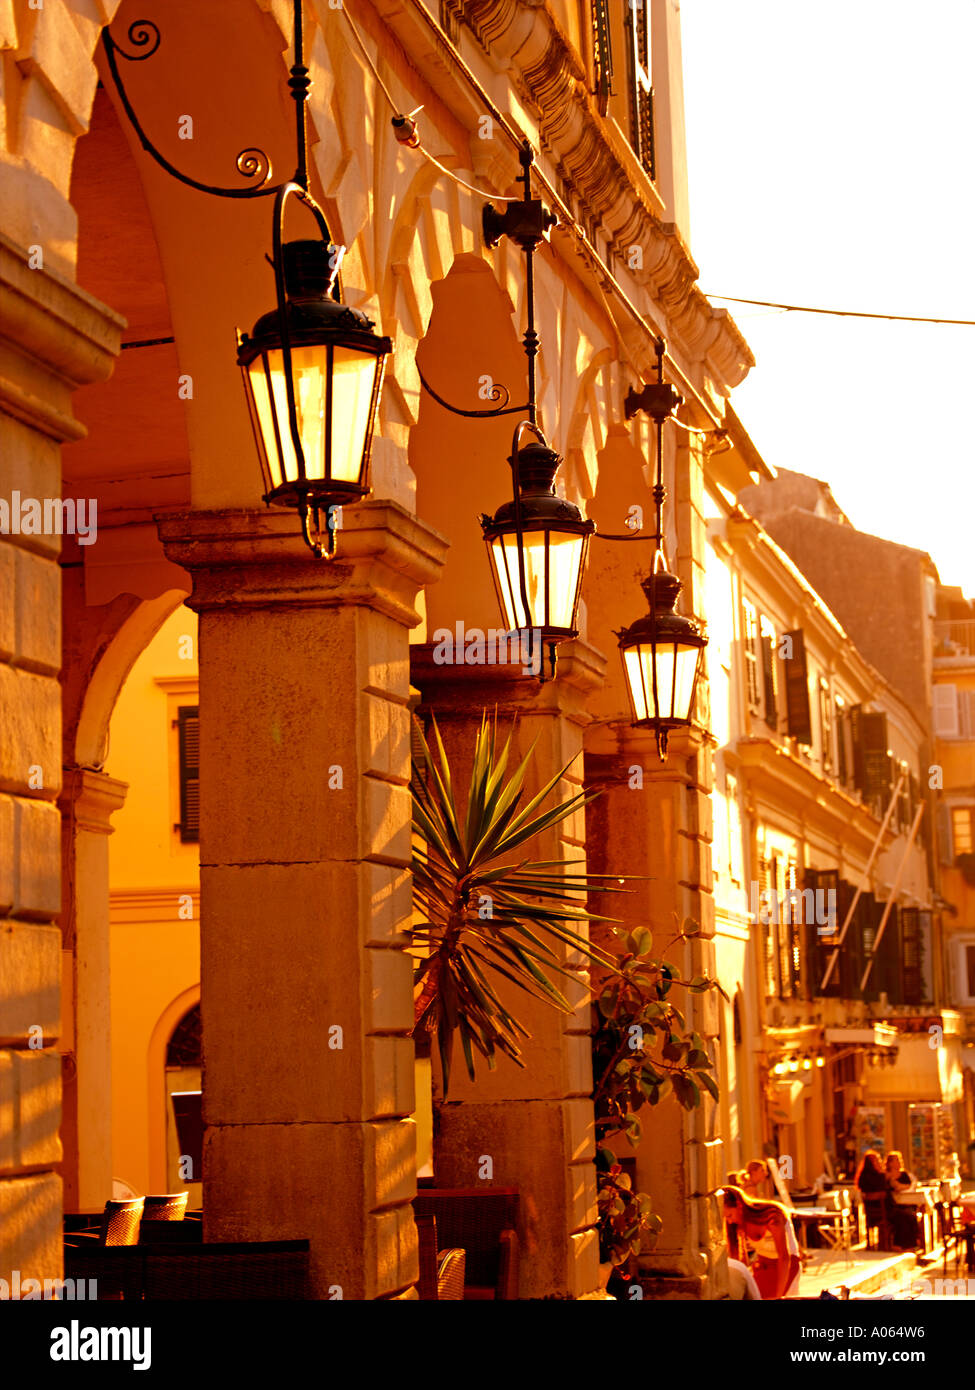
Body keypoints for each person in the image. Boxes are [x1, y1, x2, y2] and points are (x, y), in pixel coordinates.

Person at [722, 1185, 801, 1299]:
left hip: (787, 1266)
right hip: (764, 1266)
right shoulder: (738, 1225)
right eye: (726, 1218)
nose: (729, 1222)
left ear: (739, 1205)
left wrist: (779, 1296)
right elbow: (740, 1261)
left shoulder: (772, 1217)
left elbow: (784, 1257)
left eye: (729, 1215)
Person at [885, 1150, 920, 1249]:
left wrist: (901, 1186)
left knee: (910, 1214)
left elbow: (910, 1186)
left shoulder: (904, 1174)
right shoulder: (886, 1175)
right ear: (890, 1163)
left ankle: (911, 1244)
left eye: (900, 1160)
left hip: (907, 1203)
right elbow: (894, 1187)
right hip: (893, 1206)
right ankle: (904, 1244)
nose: (900, 1162)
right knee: (905, 1216)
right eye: (897, 1160)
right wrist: (902, 1186)